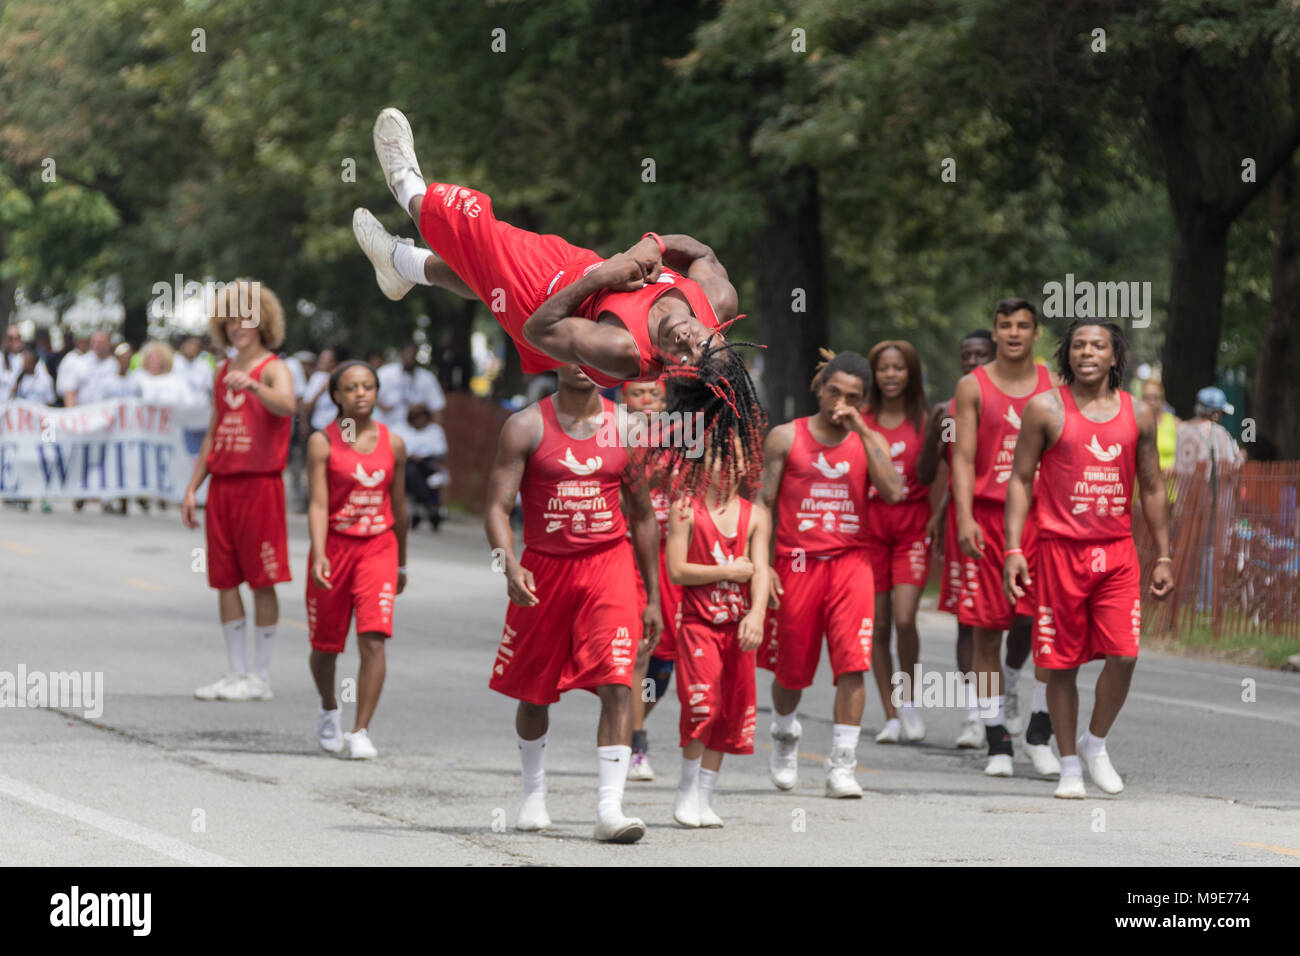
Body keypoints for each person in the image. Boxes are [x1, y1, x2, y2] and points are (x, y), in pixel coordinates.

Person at [354, 108, 763, 486]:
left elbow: (538, 330)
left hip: (540, 299)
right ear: (721, 332)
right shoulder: (718, 298)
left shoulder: (623, 350)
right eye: (705, 344)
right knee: (479, 272)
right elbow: (701, 253)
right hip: (575, 262)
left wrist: (603, 274)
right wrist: (654, 245)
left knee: (472, 226)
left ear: (674, 373)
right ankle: (400, 264)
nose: (689, 345)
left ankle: (406, 184)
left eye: (687, 362)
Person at [483, 363, 663, 843]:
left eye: (593, 357)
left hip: (609, 566)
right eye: (572, 354)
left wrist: (653, 596)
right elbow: (497, 508)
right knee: (534, 692)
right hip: (544, 569)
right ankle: (534, 796)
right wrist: (509, 564)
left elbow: (643, 516)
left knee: (617, 684)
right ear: (553, 357)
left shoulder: (627, 427)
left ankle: (610, 809)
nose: (582, 366)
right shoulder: (524, 426)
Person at [1004, 319, 1173, 797]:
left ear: (1115, 357)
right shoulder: (1045, 409)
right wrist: (1014, 549)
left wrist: (1164, 555)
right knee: (1061, 665)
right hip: (1058, 553)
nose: (1087, 353)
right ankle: (1070, 765)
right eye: (1078, 345)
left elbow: (1154, 486)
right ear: (1067, 355)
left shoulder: (1137, 413)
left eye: (1098, 346)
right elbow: (1019, 480)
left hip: (1116, 553)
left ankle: (1095, 744)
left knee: (1124, 655)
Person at [758, 350, 904, 797]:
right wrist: (760, 566)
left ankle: (842, 765)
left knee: (853, 665)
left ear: (863, 402)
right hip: (796, 564)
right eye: (834, 391)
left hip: (851, 565)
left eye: (853, 398)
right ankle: (784, 735)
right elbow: (763, 503)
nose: (840, 402)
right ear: (820, 387)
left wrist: (861, 428)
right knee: (790, 672)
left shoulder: (866, 440)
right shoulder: (785, 438)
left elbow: (895, 492)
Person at [952, 298, 1060, 777]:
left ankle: (1039, 728)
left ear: (1035, 333)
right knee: (985, 627)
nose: (1013, 333)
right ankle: (997, 738)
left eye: (1022, 325)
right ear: (994, 332)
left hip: (1043, 520)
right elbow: (961, 456)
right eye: (1004, 325)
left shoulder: (1054, 385)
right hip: (989, 516)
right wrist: (964, 517)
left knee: (1040, 625)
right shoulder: (972, 386)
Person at [181, 281, 295, 702]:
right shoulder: (221, 371)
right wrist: (193, 487)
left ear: (262, 320)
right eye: (230, 319)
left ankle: (260, 677)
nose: (237, 326)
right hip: (224, 488)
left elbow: (287, 405)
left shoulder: (271, 366)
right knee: (225, 580)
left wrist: (255, 388)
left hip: (260, 485)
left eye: (245, 317)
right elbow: (213, 431)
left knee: (262, 580)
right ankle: (236, 673)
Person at [306, 361, 408, 759]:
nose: (361, 393)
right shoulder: (323, 442)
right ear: (336, 396)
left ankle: (361, 731)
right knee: (325, 647)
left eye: (368, 386)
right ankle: (329, 707)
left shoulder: (394, 443)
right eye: (350, 387)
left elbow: (399, 506)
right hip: (334, 546)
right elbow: (317, 504)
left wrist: (402, 563)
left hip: (378, 548)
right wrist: (318, 555)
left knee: (373, 638)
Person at [665, 443, 770, 827]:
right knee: (701, 706)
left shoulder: (757, 516)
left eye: (738, 457)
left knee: (729, 713)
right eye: (719, 456)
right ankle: (686, 789)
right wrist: (727, 572)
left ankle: (705, 797)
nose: (729, 465)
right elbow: (677, 570)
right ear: (703, 461)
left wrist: (757, 614)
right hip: (698, 626)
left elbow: (759, 570)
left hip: (737, 626)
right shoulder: (684, 509)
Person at [917, 329, 997, 747]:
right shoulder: (950, 411)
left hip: (1011, 523)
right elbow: (928, 474)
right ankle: (973, 713)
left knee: (1018, 618)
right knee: (969, 621)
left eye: (981, 355)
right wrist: (934, 432)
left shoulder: (1018, 406)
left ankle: (1007, 695)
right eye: (965, 356)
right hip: (965, 522)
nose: (972, 362)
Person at [862, 340, 938, 743]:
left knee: (905, 619)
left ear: (911, 373)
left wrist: (938, 521)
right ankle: (890, 714)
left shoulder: (926, 419)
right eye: (883, 368)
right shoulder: (861, 419)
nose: (891, 375)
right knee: (878, 626)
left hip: (911, 527)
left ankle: (908, 700)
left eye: (898, 368)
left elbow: (939, 476)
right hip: (869, 529)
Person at [622, 379, 681, 782]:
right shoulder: (613, 438)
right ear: (623, 399)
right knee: (639, 650)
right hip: (627, 554)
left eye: (654, 395)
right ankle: (635, 746)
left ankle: (625, 729)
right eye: (637, 394)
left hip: (673, 558)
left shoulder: (680, 440)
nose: (646, 401)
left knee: (664, 661)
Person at [396, 402, 448, 530]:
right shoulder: (401, 430)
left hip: (428, 465)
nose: (420, 421)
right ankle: (429, 505)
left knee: (419, 471)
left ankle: (421, 505)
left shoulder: (434, 431)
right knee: (411, 471)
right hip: (408, 465)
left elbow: (441, 451)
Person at [1174, 386, 1244, 479]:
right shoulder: (1219, 432)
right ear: (1215, 412)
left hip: (1184, 490)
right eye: (1221, 412)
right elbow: (1232, 464)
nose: (1221, 416)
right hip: (1211, 491)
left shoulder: (1182, 428)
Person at [377, 344, 447, 428]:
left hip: (416, 432)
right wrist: (382, 406)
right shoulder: (385, 373)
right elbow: (370, 396)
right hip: (387, 428)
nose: (410, 357)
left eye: (413, 354)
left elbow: (437, 407)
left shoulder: (427, 378)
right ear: (401, 354)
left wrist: (434, 431)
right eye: (407, 353)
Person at [1138, 378, 1179, 475]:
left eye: (1156, 398)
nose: (1151, 402)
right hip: (1140, 485)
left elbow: (1186, 457)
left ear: (1162, 399)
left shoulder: (1175, 423)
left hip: (1168, 485)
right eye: (1147, 398)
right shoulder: (1134, 423)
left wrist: (1174, 467)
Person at [302, 347, 343, 434]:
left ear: (334, 362)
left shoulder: (343, 378)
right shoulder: (317, 378)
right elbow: (306, 405)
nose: (320, 362)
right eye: (321, 358)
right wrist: (321, 390)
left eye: (325, 359)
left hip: (339, 428)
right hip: (319, 426)